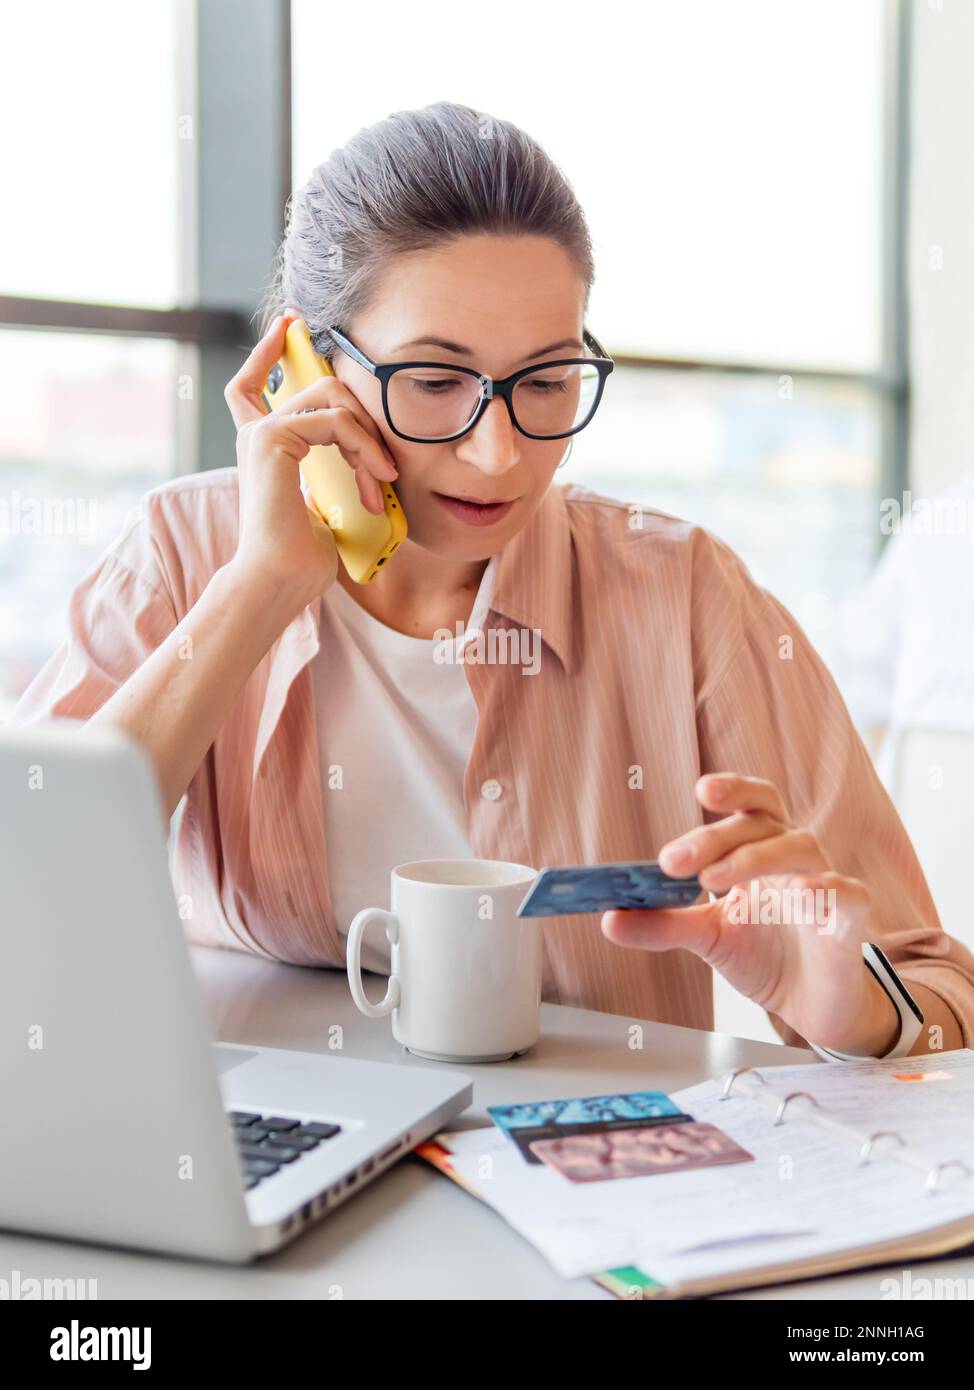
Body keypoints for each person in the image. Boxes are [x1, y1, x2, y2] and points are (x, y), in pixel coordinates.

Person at [8, 101, 974, 1061]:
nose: (498, 451)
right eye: (434, 382)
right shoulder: (187, 550)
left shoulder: (682, 595)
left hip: (582, 1184)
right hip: (259, 1157)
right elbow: (29, 891)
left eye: (548, 380)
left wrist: (850, 1009)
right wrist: (260, 586)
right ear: (306, 370)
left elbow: (939, 989)